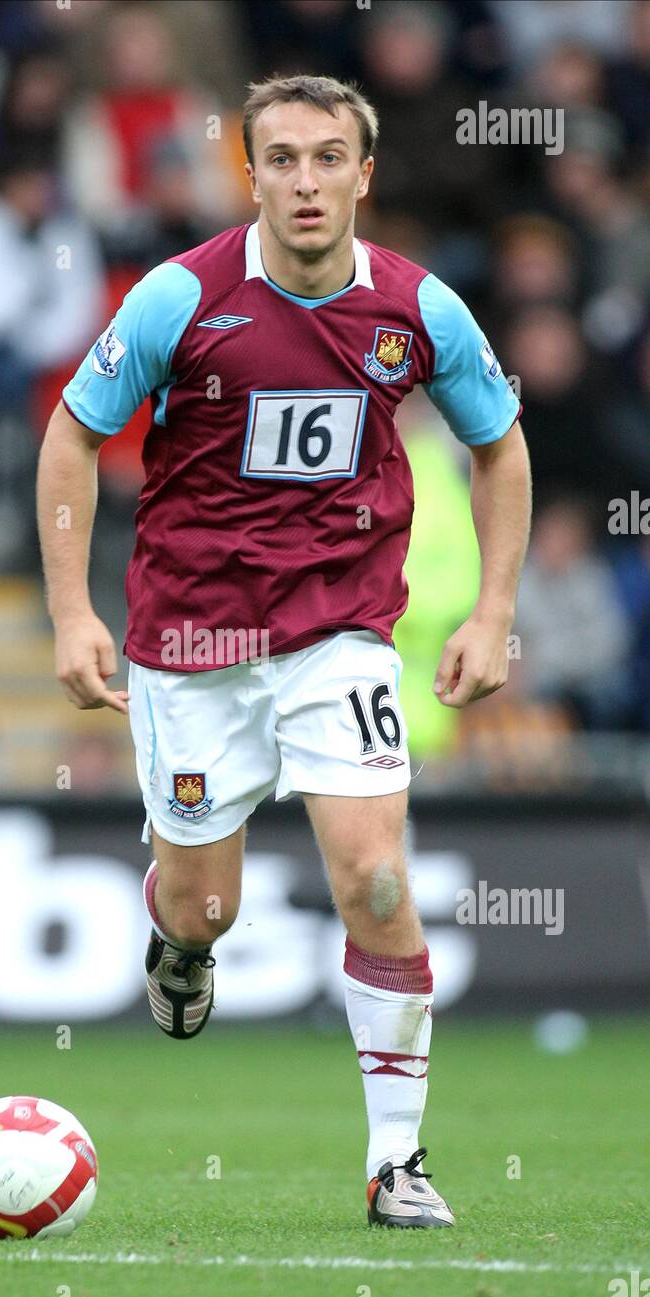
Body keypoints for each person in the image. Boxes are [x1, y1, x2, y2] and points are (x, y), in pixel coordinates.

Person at [38, 74, 531, 1231]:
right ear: (247, 173)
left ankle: (396, 1162)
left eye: (326, 159)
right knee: (206, 908)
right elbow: (72, 434)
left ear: (365, 173)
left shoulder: (421, 311)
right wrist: (70, 611)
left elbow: (500, 449)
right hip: (192, 640)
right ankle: (178, 937)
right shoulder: (178, 297)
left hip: (338, 632)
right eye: (281, 160)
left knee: (375, 878)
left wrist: (491, 611)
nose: (304, 181)